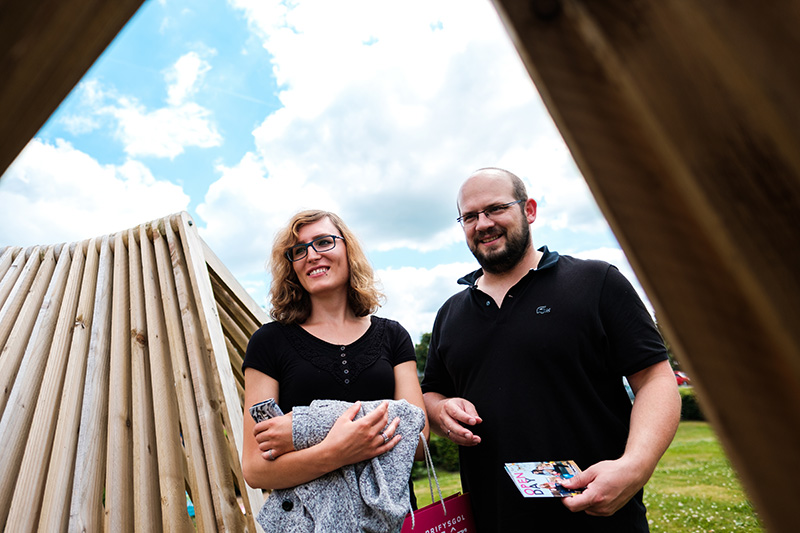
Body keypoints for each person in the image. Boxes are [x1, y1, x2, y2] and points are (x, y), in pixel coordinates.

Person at [421, 168, 681, 531]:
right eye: (470, 216)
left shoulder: (596, 282)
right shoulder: (450, 313)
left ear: (529, 210)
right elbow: (432, 392)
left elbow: (655, 379)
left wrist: (634, 466)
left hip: (597, 517)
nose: (482, 224)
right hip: (494, 519)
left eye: (496, 209)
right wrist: (439, 410)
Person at [241, 209, 429, 530]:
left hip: (391, 521)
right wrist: (336, 451)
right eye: (299, 250)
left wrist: (302, 429)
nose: (312, 255)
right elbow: (256, 469)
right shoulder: (268, 342)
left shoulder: (393, 336)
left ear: (347, 250)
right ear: (292, 266)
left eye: (323, 242)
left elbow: (419, 437)